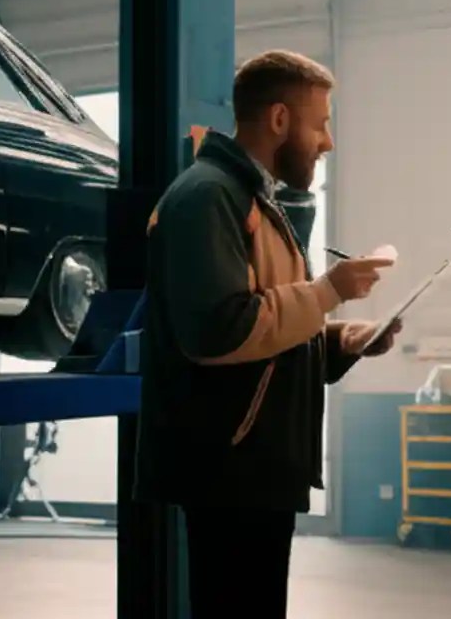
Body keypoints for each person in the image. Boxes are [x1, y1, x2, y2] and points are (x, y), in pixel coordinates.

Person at [134, 49, 402, 618]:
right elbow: (218, 331)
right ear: (280, 120)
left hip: (255, 465)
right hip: (228, 466)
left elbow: (267, 331)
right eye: (321, 123)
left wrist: (341, 340)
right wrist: (329, 291)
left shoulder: (253, 198)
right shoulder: (207, 196)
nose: (327, 142)